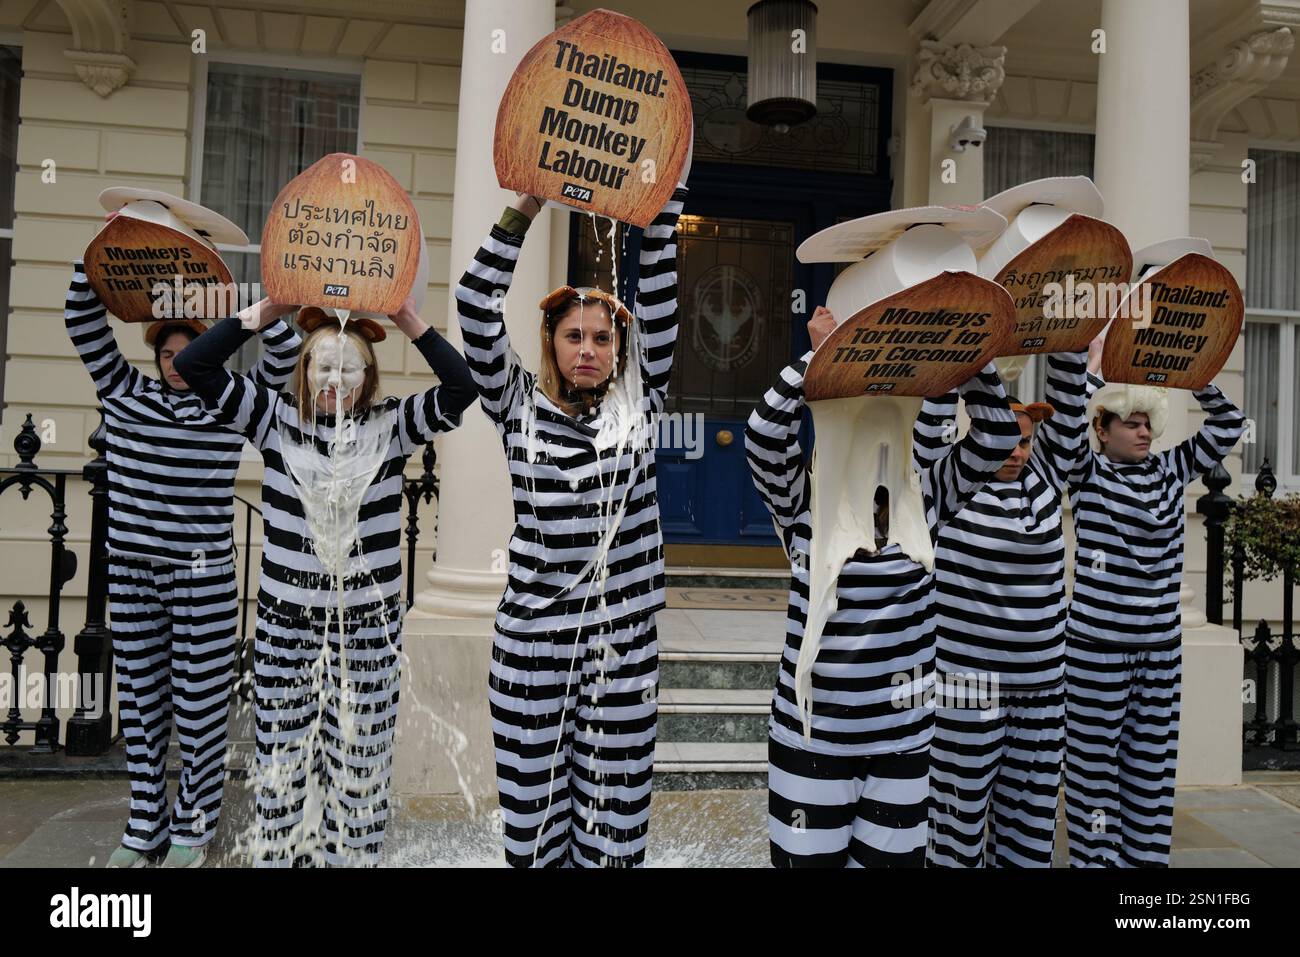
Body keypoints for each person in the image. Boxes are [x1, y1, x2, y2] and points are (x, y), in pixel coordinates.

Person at [173, 297, 476, 866]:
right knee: (281, 768)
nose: (335, 378)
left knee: (360, 772)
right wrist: (270, 309)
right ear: (304, 370)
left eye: (349, 367)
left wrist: (408, 319)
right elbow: (195, 366)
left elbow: (462, 388)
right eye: (323, 365)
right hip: (286, 630)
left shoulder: (393, 427)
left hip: (367, 631)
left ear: (369, 376)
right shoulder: (272, 419)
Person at [456, 185, 687, 867]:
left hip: (622, 652)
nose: (587, 348)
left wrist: (666, 210)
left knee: (614, 836)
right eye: (572, 335)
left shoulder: (639, 404)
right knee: (533, 834)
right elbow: (473, 303)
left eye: (601, 337)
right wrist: (527, 205)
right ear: (551, 343)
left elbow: (664, 302)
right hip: (532, 649)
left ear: (619, 349)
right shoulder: (516, 402)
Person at [747, 304, 1021, 867]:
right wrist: (824, 356)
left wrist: (963, 348)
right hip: (813, 739)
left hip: (902, 742)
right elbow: (763, 433)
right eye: (854, 427)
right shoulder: (803, 506)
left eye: (887, 429)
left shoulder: (927, 501)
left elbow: (997, 435)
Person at [64, 261, 302, 868]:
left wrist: (242, 296)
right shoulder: (123, 393)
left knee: (199, 710)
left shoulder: (228, 405)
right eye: (167, 351)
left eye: (188, 350)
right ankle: (145, 825)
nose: (175, 361)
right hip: (133, 574)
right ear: (154, 357)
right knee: (144, 709)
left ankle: (194, 830)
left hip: (203, 579)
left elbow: (284, 353)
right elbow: (81, 319)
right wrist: (103, 254)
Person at [918, 342, 1099, 867]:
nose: (1017, 451)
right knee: (957, 831)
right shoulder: (947, 486)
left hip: (1042, 692)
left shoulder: (1045, 482)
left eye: (1025, 442)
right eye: (1007, 440)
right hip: (967, 688)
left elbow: (1068, 402)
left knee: (1031, 834)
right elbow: (932, 410)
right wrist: (967, 339)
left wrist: (1074, 337)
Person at [1062, 368, 1245, 867]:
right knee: (1092, 774)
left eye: (1148, 422)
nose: (1144, 431)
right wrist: (1100, 371)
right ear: (1101, 428)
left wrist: (1194, 372)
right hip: (1095, 651)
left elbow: (1229, 424)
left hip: (1160, 652)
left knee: (1150, 773)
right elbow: (1062, 419)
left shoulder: (1170, 469)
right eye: (1130, 422)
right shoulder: (1086, 472)